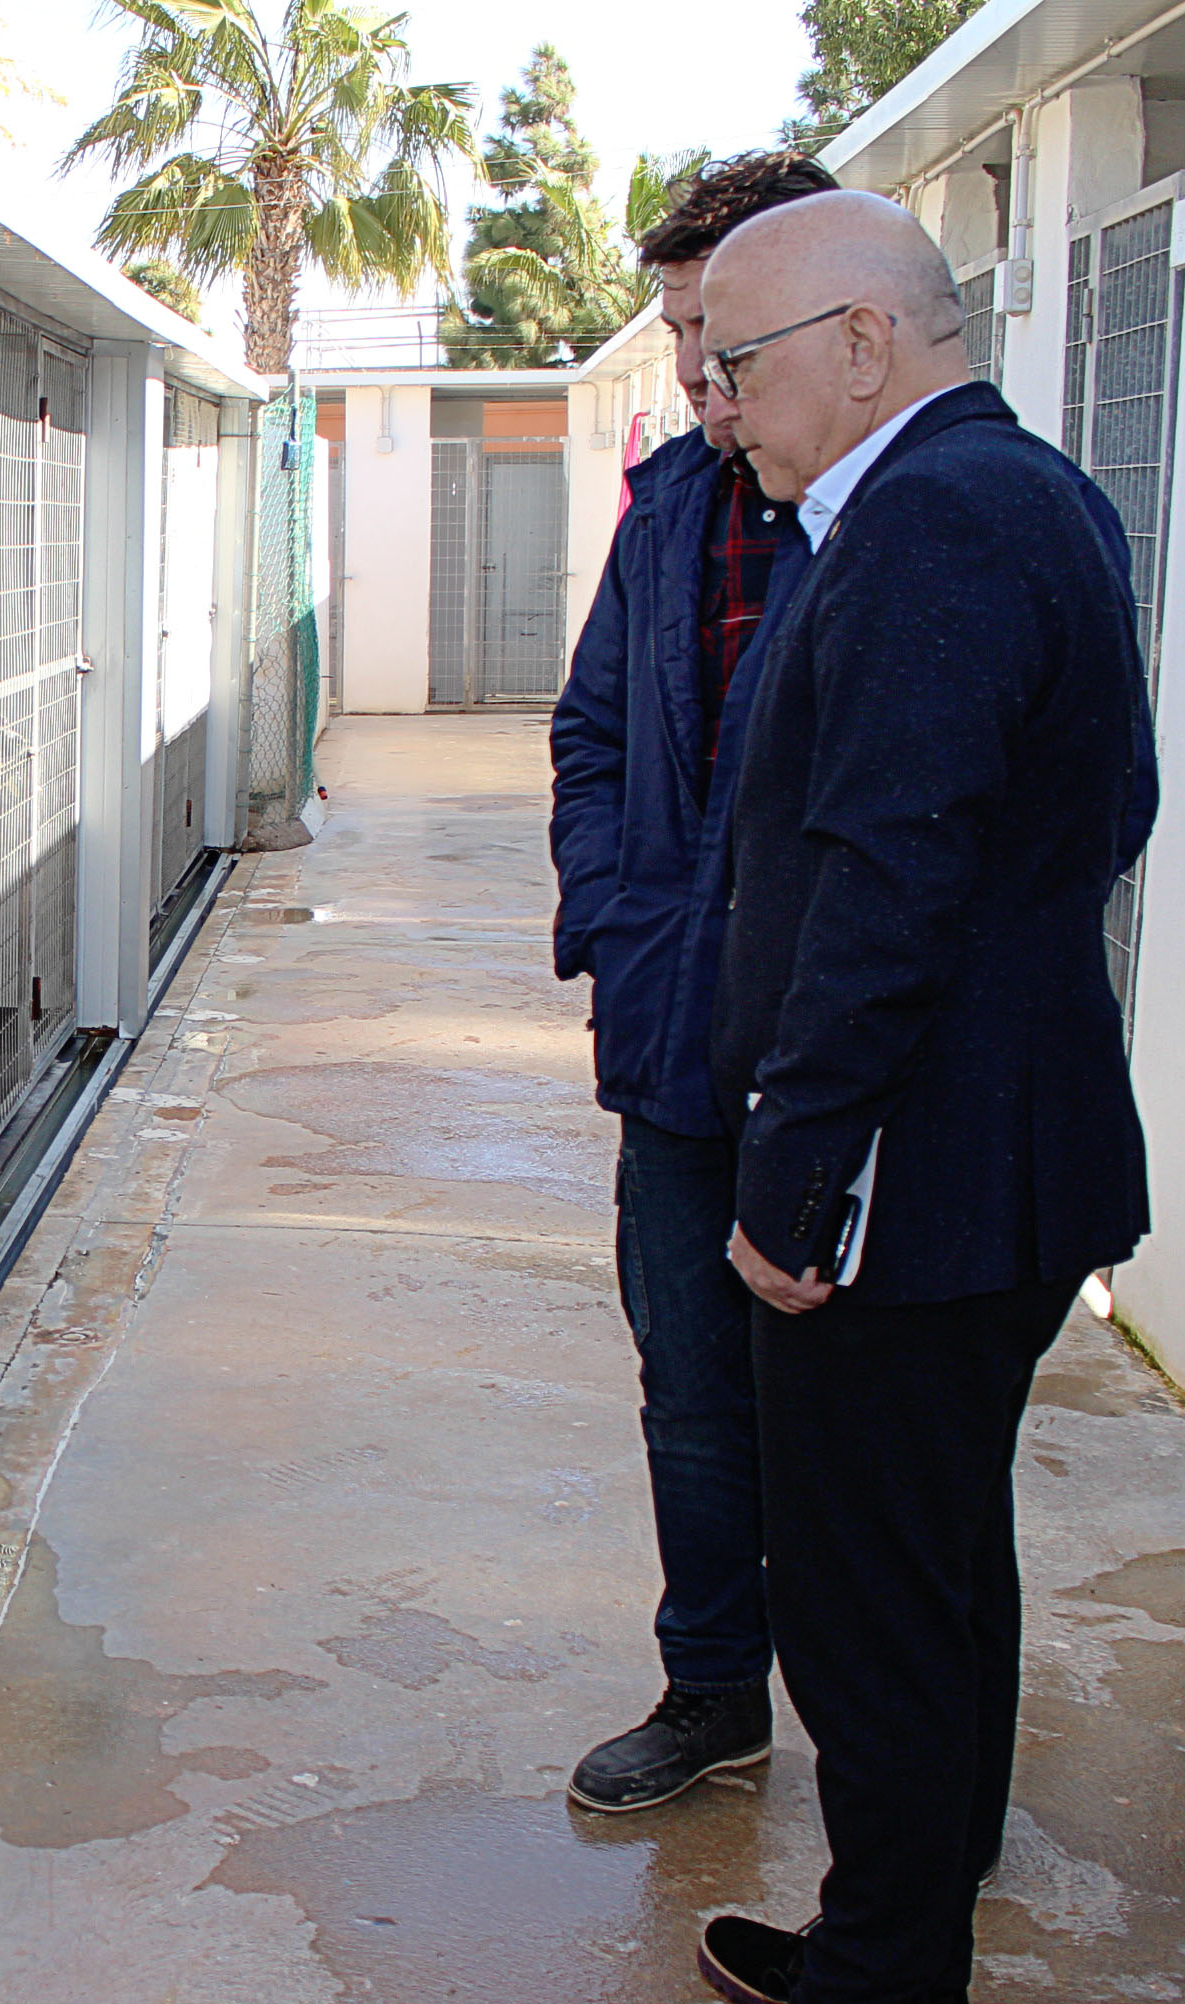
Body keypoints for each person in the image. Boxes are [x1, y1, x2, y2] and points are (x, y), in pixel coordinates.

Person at [614, 190, 1156, 2004]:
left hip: (913, 1181)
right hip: (987, 1156)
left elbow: (889, 887)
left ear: (860, 343)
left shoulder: (933, 525)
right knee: (930, 1586)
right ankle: (888, 1961)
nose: (715, 396)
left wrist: (795, 1175)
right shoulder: (1027, 497)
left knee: (871, 1617)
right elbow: (1107, 817)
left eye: (736, 361)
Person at [547, 151, 839, 1815]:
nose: (690, 373)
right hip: (675, 1041)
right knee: (693, 1391)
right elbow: (593, 730)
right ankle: (714, 1687)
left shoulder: (886, 522)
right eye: (676, 334)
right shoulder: (671, 515)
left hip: (841, 1061)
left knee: (874, 1433)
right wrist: (623, 913)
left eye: (715, 336)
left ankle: (911, 1751)